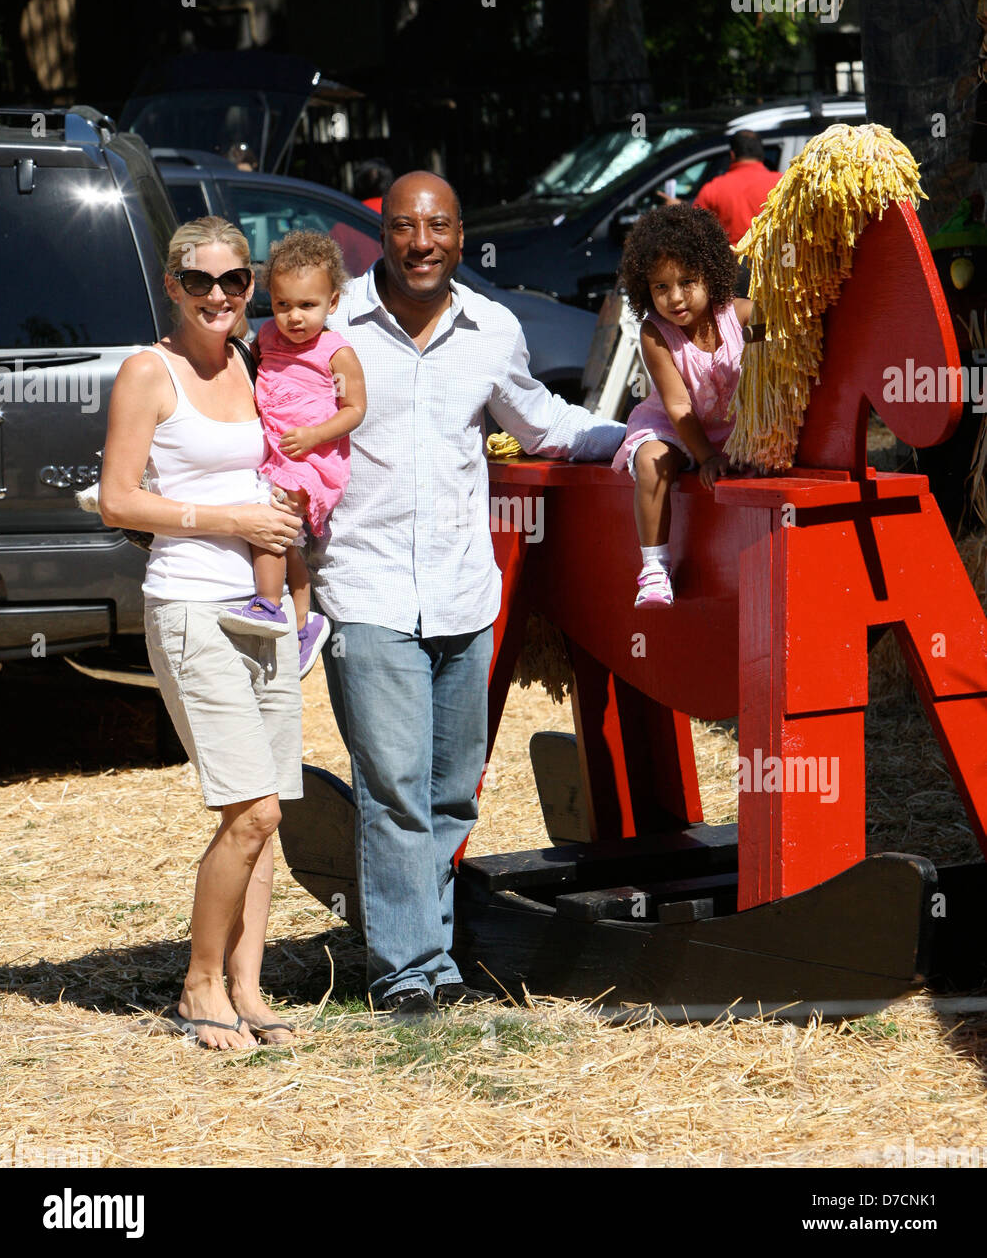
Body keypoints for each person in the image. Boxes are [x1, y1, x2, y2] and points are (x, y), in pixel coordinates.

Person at [312, 171, 626, 1015]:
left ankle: (434, 949)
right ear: (382, 232)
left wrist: (637, 438)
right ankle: (407, 970)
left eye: (439, 227)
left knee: (451, 792)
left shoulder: (492, 328)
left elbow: (544, 422)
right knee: (395, 789)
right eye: (405, 227)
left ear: (459, 235)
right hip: (366, 588)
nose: (422, 243)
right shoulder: (332, 325)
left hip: (462, 593)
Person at [99, 216, 305, 1051]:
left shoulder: (252, 360)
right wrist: (232, 521)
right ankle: (198, 984)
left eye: (234, 280)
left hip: (261, 610)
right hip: (189, 607)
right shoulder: (148, 371)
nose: (218, 295)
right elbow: (117, 500)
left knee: (271, 813)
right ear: (172, 286)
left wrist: (284, 517)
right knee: (250, 809)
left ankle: (246, 988)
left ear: (251, 284)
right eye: (199, 281)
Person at [219, 231, 367, 682]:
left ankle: (269, 604)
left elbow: (355, 409)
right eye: (283, 305)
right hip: (274, 454)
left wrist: (313, 435)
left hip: (311, 462)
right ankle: (304, 623)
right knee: (289, 542)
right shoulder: (267, 335)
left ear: (332, 302)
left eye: (307, 305)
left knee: (271, 525)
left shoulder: (336, 352)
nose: (294, 317)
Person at [611, 205, 751, 608]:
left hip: (731, 430)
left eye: (687, 282)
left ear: (711, 274)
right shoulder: (656, 332)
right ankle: (654, 567)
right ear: (645, 289)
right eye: (660, 287)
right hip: (675, 427)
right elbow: (676, 404)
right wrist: (706, 456)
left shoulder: (739, 314)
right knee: (652, 460)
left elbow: (777, 334)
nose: (674, 298)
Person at [691, 130, 781, 246]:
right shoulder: (781, 184)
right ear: (761, 155)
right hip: (772, 255)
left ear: (732, 155)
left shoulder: (713, 188)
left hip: (730, 256)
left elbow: (695, 228)